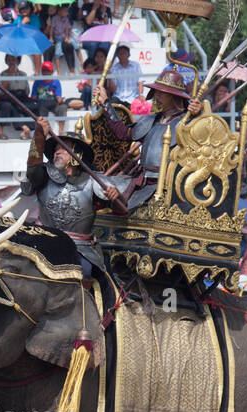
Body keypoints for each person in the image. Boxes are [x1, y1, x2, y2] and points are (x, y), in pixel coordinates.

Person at [22, 118, 126, 278]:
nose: (57, 152)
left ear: (77, 154)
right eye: (55, 149)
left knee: (86, 272)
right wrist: (38, 136)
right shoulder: (44, 175)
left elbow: (121, 210)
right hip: (44, 238)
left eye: (63, 149)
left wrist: (115, 196)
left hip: (80, 247)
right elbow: (32, 170)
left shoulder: (93, 181)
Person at [96, 68, 202, 209]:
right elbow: (123, 133)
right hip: (141, 181)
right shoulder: (152, 120)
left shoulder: (187, 123)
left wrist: (199, 113)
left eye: (162, 94)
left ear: (174, 97)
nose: (157, 97)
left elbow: (204, 134)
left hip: (167, 186)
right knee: (100, 186)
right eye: (156, 92)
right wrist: (106, 103)